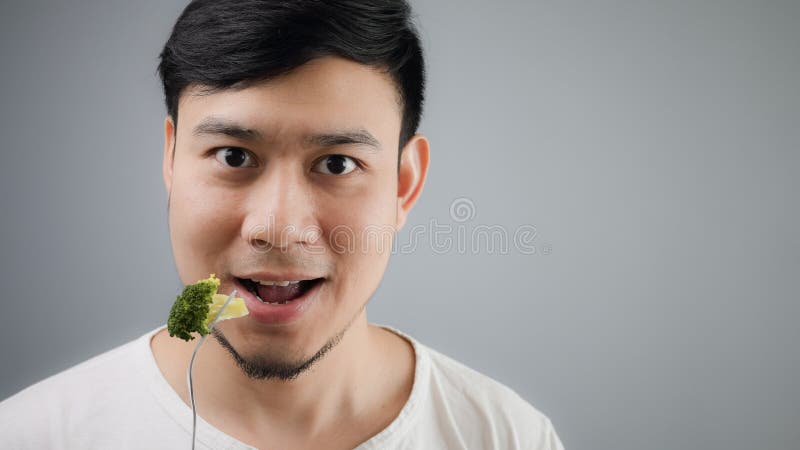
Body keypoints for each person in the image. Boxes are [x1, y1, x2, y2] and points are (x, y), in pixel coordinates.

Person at [0, 1, 564, 448]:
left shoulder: (506, 437)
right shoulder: (34, 436)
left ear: (403, 185)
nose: (278, 227)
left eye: (337, 164)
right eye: (233, 156)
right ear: (171, 161)